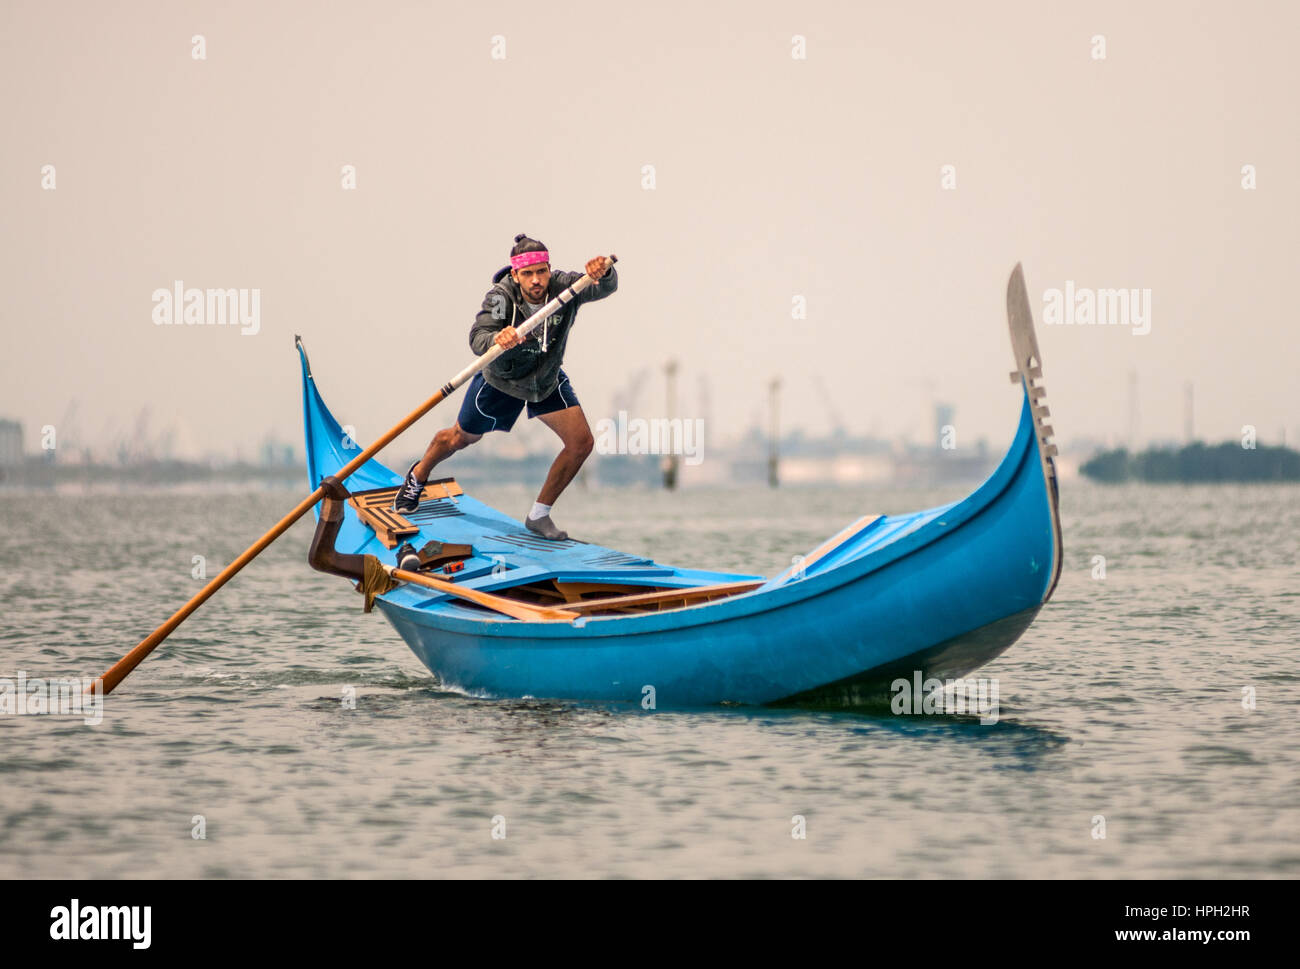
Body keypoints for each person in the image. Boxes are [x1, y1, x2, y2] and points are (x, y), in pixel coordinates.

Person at [392, 233, 618, 540]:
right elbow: (478, 337)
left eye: (541, 271)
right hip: (502, 382)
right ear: (516, 275)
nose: (536, 280)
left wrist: (602, 272)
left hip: (546, 379)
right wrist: (497, 340)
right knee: (460, 438)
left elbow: (604, 287)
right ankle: (418, 477)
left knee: (582, 443)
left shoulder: (565, 286)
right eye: (528, 274)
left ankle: (539, 515)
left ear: (549, 269)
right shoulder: (501, 298)